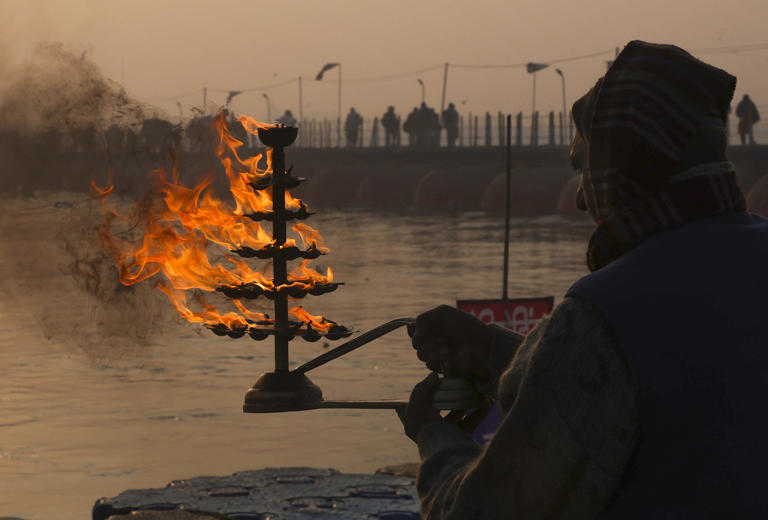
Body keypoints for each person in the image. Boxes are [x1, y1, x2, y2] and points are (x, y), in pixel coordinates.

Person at [398, 40, 768, 518]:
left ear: (624, 166)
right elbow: (681, 388)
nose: (578, 199)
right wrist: (495, 354)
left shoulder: (605, 312)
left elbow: (485, 512)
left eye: (583, 167)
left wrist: (435, 438)